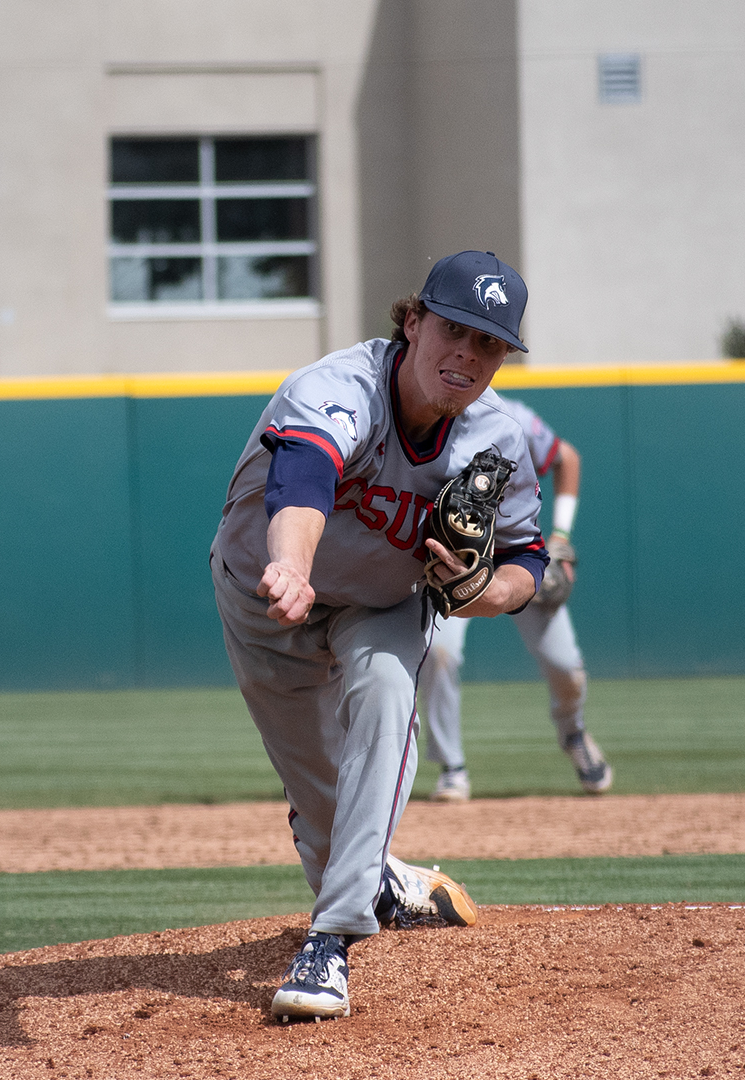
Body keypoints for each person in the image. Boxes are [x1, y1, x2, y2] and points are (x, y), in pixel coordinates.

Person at [210, 251, 549, 1021]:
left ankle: (331, 941)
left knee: (388, 695)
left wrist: (480, 590)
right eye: (455, 330)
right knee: (328, 818)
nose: (467, 355)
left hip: (386, 600)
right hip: (264, 593)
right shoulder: (338, 389)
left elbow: (528, 561)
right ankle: (387, 881)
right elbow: (302, 481)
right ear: (412, 321)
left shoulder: (496, 439)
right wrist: (290, 568)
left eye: (489, 343)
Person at [418, 400, 612, 803]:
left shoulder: (508, 417)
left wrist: (560, 536)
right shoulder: (421, 420)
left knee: (565, 667)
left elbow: (567, 458)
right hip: (454, 562)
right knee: (439, 652)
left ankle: (572, 731)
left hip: (517, 555)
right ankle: (452, 767)